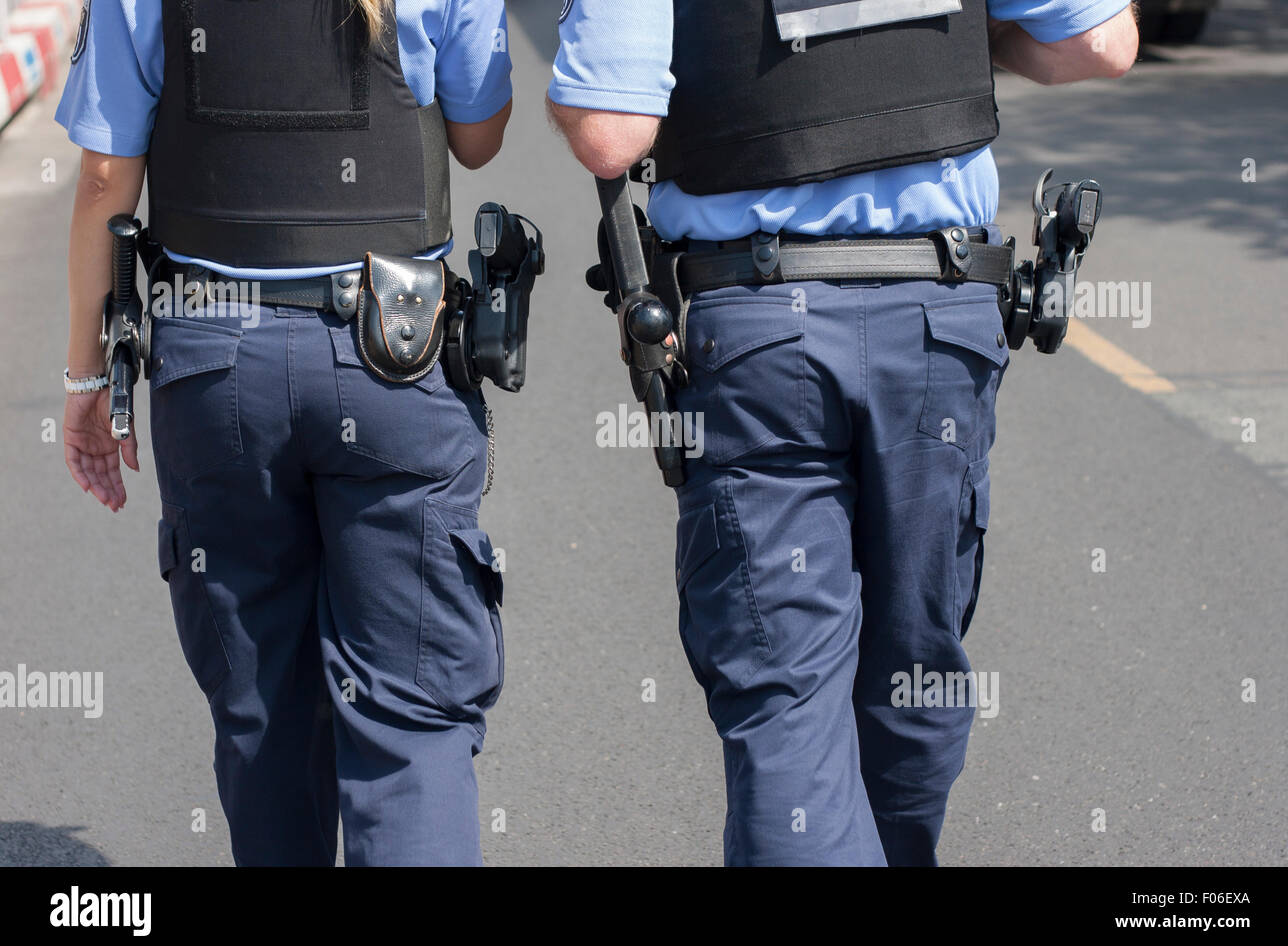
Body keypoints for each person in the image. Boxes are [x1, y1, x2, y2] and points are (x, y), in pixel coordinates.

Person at [549, 0, 1138, 865]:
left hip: (762, 331)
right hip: (940, 316)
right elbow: (1102, 42)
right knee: (914, 668)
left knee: (785, 695)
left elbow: (609, 132)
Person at [58, 0, 512, 866]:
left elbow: (102, 179)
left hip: (213, 365)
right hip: (394, 353)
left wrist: (87, 379)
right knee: (411, 722)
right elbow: (478, 136)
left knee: (261, 708)